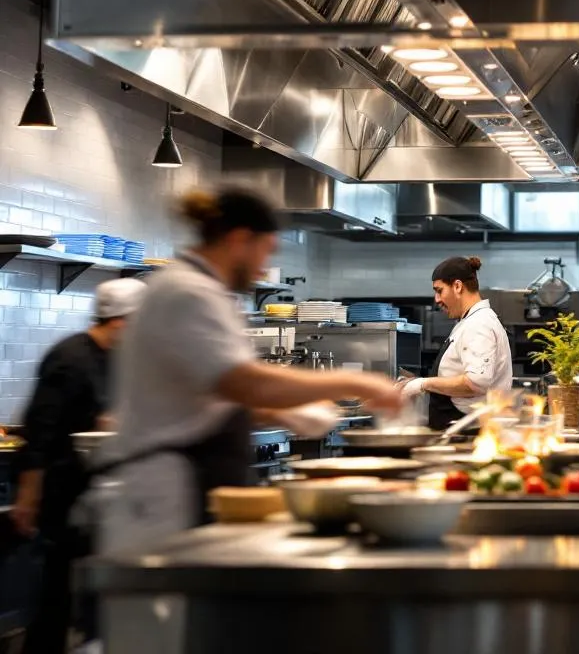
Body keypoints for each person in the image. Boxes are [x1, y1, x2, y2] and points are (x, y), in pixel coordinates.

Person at [100, 188, 403, 554]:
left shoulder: (199, 290)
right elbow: (244, 382)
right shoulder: (187, 292)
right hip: (166, 500)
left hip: (192, 490)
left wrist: (284, 412)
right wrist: (357, 381)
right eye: (267, 251)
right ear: (240, 240)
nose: (264, 268)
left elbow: (216, 395)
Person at [13, 278, 147, 654]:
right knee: (58, 598)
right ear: (119, 321)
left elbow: (102, 415)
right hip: (61, 494)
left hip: (95, 497)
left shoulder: (113, 359)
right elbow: (40, 433)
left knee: (88, 599)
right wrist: (27, 498)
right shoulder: (70, 358)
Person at [401, 256, 513, 429]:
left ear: (458, 286)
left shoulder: (478, 324)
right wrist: (414, 381)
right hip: (462, 428)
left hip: (468, 432)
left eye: (439, 291)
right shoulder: (470, 321)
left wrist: (422, 384)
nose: (437, 299)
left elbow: (475, 383)